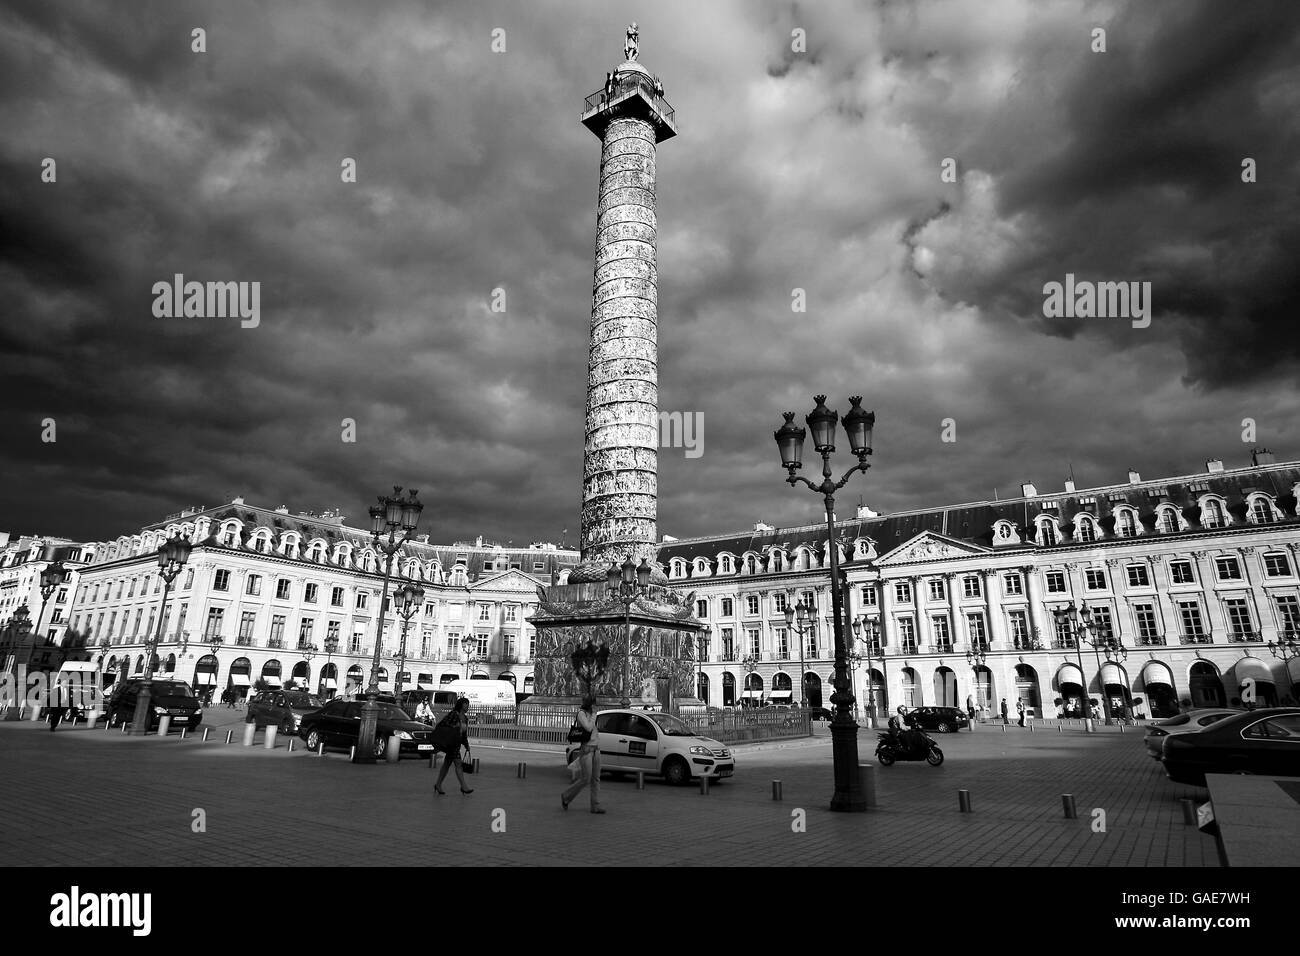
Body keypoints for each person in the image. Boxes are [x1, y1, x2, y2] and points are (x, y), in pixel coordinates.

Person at [561, 694, 604, 813]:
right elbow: (588, 728)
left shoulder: (591, 714)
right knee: (586, 778)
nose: (596, 706)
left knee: (596, 779)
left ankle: (595, 805)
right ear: (590, 704)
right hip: (587, 750)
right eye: (594, 704)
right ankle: (566, 796)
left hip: (596, 749)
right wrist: (594, 714)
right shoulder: (581, 714)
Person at [433, 697, 473, 795]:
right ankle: (464, 786)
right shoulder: (454, 714)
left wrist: (466, 745)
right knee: (458, 764)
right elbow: (444, 724)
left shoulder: (465, 718)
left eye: (468, 704)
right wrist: (454, 728)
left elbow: (464, 734)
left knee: (447, 764)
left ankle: (438, 784)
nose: (467, 706)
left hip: (457, 744)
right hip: (451, 744)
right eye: (466, 704)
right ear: (461, 705)